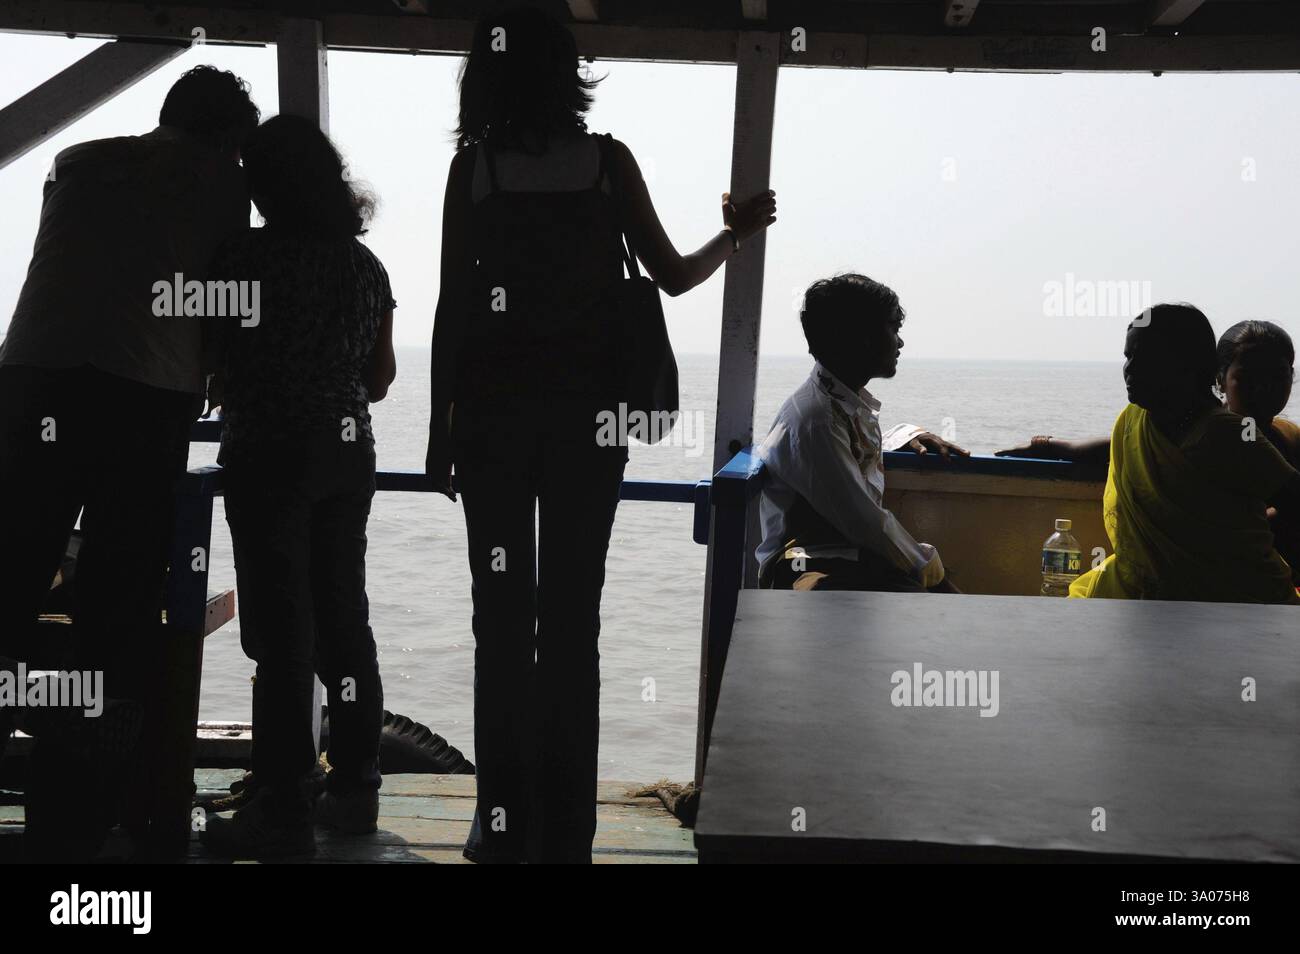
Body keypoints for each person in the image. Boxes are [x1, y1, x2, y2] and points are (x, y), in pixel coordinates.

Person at [425, 5, 776, 864]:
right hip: (592, 426)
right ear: (567, 71)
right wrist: (736, 232)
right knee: (572, 621)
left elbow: (452, 309)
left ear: (487, 75)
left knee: (498, 619)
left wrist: (441, 431)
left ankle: (499, 816)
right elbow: (670, 276)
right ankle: (566, 825)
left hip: (495, 426)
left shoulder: (474, 172)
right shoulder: (608, 164)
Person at [0, 67, 257, 822]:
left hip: (30, 376)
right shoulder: (222, 182)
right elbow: (224, 288)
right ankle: (81, 792)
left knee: (12, 566)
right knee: (118, 592)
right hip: (143, 390)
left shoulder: (80, 159)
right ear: (228, 138)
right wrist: (217, 368)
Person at [199, 115, 396, 858]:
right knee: (345, 622)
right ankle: (355, 789)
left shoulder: (242, 257)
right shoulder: (364, 268)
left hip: (268, 453)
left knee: (282, 635)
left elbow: (205, 354)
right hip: (347, 456)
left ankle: (280, 804)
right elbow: (379, 379)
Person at [999, 317, 1300, 592]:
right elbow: (1108, 447)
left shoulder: (1259, 437)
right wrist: (1045, 445)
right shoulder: (1155, 423)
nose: (1264, 387)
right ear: (1219, 377)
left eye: (1278, 375)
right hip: (1187, 588)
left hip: (1241, 591)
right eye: (1249, 376)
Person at [756, 274, 967, 593]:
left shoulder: (836, 406)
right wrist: (926, 567)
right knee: (924, 599)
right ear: (861, 337)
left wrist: (904, 435)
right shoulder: (817, 420)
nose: (900, 342)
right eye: (893, 328)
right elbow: (863, 520)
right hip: (803, 565)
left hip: (845, 556)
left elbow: (849, 455)